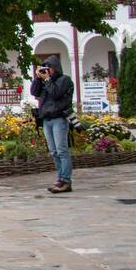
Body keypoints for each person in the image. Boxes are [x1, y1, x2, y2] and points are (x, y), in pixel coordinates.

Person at [31, 54, 75, 194]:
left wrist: (48, 79)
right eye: (45, 68)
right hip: (46, 120)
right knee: (54, 152)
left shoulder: (65, 80)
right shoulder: (45, 81)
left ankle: (66, 181)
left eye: (49, 68)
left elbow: (56, 93)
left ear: (55, 68)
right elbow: (34, 92)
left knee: (62, 151)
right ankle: (60, 178)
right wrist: (38, 78)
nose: (46, 70)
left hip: (59, 119)